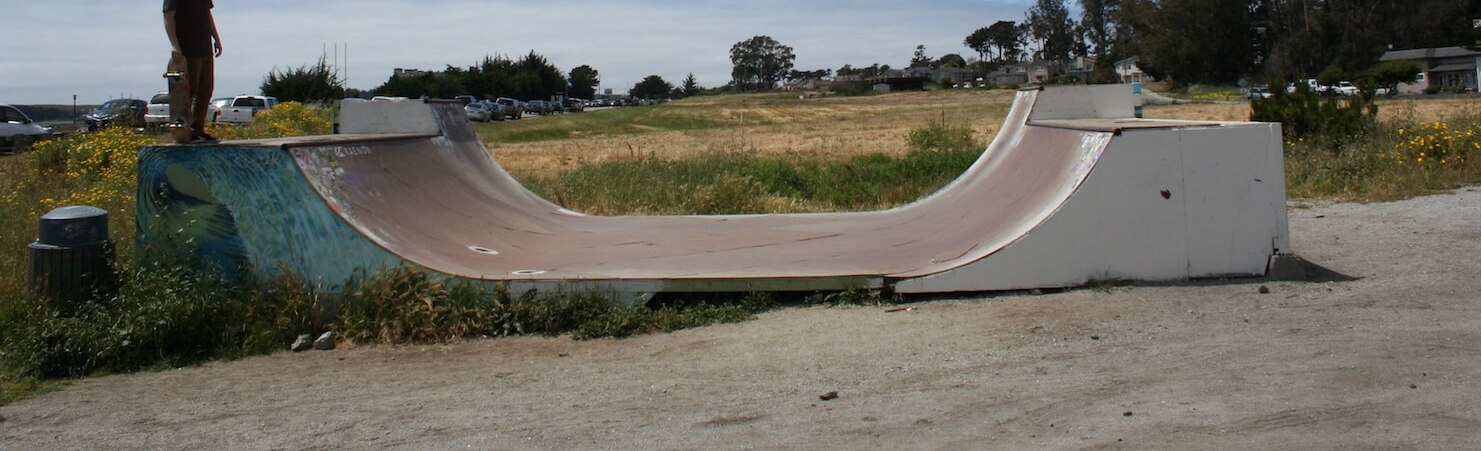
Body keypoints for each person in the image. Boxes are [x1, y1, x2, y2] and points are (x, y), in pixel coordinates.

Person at [163, 0, 222, 143]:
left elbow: (208, 14)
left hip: (205, 47)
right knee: (189, 90)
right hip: (188, 49)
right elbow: (168, 15)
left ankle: (198, 129)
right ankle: (184, 131)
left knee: (206, 89)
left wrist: (216, 38)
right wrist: (174, 45)